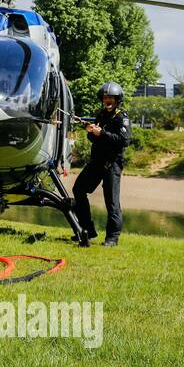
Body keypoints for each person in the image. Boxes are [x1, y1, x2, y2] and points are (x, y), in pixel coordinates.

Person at [72, 81, 131, 247]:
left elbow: (123, 141)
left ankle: (112, 238)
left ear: (117, 99)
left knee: (111, 202)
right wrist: (91, 132)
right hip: (96, 162)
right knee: (78, 189)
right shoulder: (101, 115)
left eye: (111, 97)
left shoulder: (122, 117)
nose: (107, 100)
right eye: (105, 97)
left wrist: (102, 133)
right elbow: (94, 138)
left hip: (112, 165)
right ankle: (86, 230)